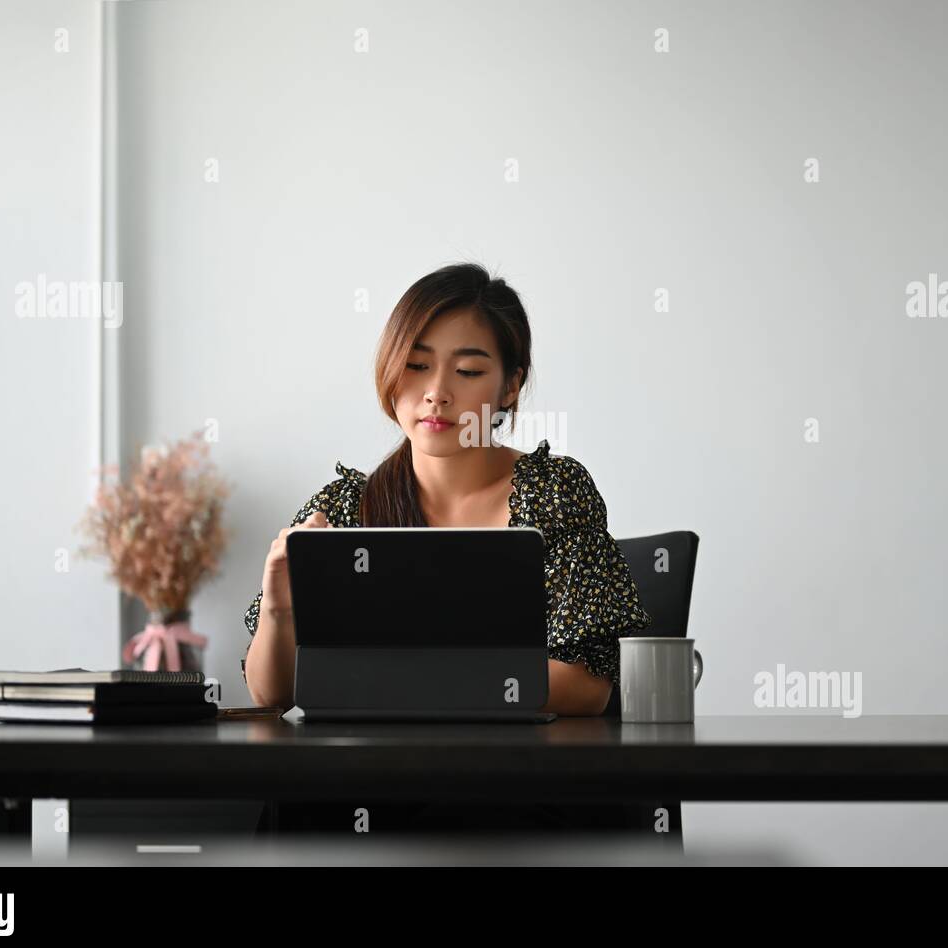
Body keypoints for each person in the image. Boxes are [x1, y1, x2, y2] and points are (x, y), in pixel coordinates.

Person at [241, 262, 658, 835]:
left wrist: (382, 686)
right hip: (369, 778)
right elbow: (269, 692)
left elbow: (586, 684)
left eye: (467, 370)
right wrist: (279, 607)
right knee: (295, 812)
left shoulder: (554, 493)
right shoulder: (345, 508)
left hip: (523, 779)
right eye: (415, 366)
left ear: (510, 386)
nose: (436, 393)